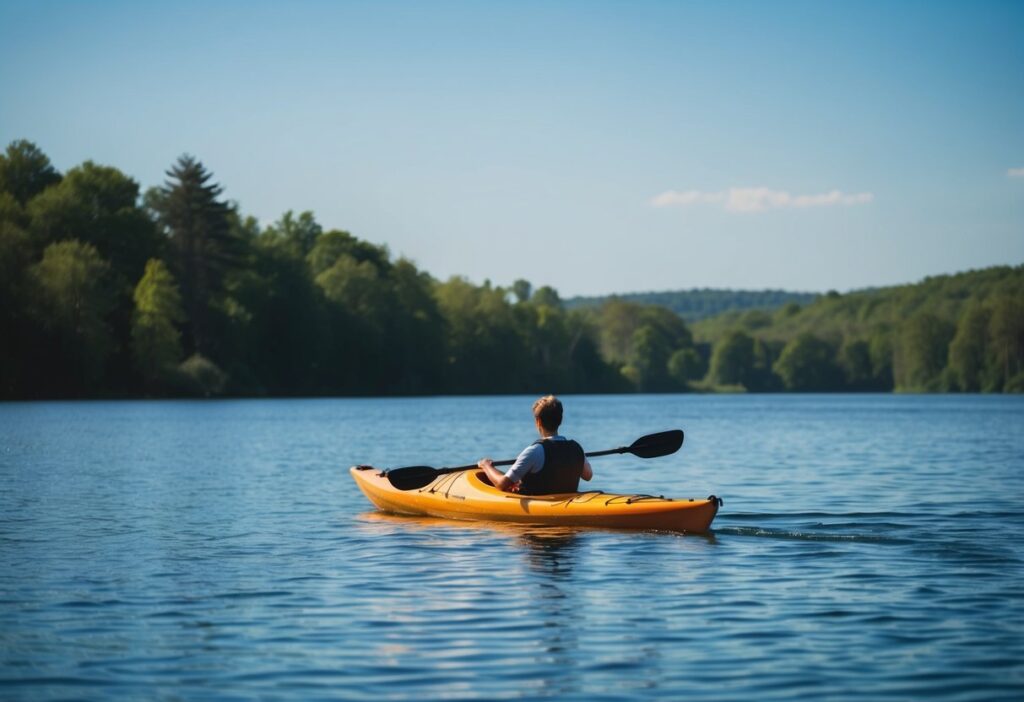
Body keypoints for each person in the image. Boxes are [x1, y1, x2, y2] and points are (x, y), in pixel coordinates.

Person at [478, 395, 593, 495]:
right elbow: (588, 476)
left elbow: (501, 485)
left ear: (538, 421)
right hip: (567, 503)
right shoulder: (576, 448)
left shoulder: (534, 451)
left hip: (542, 506)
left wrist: (486, 466)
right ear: (561, 420)